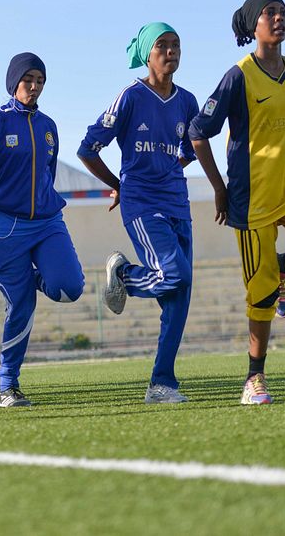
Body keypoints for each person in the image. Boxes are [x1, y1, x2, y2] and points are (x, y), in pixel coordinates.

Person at [189, 0, 285, 405]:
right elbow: (198, 131)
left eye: (284, 12)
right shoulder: (238, 76)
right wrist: (219, 189)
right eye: (269, 13)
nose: (278, 18)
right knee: (259, 296)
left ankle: (278, 267)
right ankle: (254, 379)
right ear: (253, 25)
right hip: (251, 198)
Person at [0, 53, 85, 407]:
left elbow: (47, 176)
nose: (35, 86)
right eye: (28, 79)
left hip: (47, 222)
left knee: (69, 288)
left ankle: (37, 278)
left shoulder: (49, 126)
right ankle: (8, 385)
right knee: (21, 304)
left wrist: (44, 207)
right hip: (3, 226)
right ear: (14, 83)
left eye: (40, 80)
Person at [77, 22, 199, 404]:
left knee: (180, 296)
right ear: (147, 54)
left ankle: (161, 385)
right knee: (176, 273)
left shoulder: (187, 101)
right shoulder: (131, 96)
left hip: (178, 203)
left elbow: (191, 148)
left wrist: (172, 166)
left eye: (176, 45)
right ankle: (125, 275)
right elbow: (87, 148)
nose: (170, 51)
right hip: (143, 204)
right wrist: (121, 183)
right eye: (162, 45)